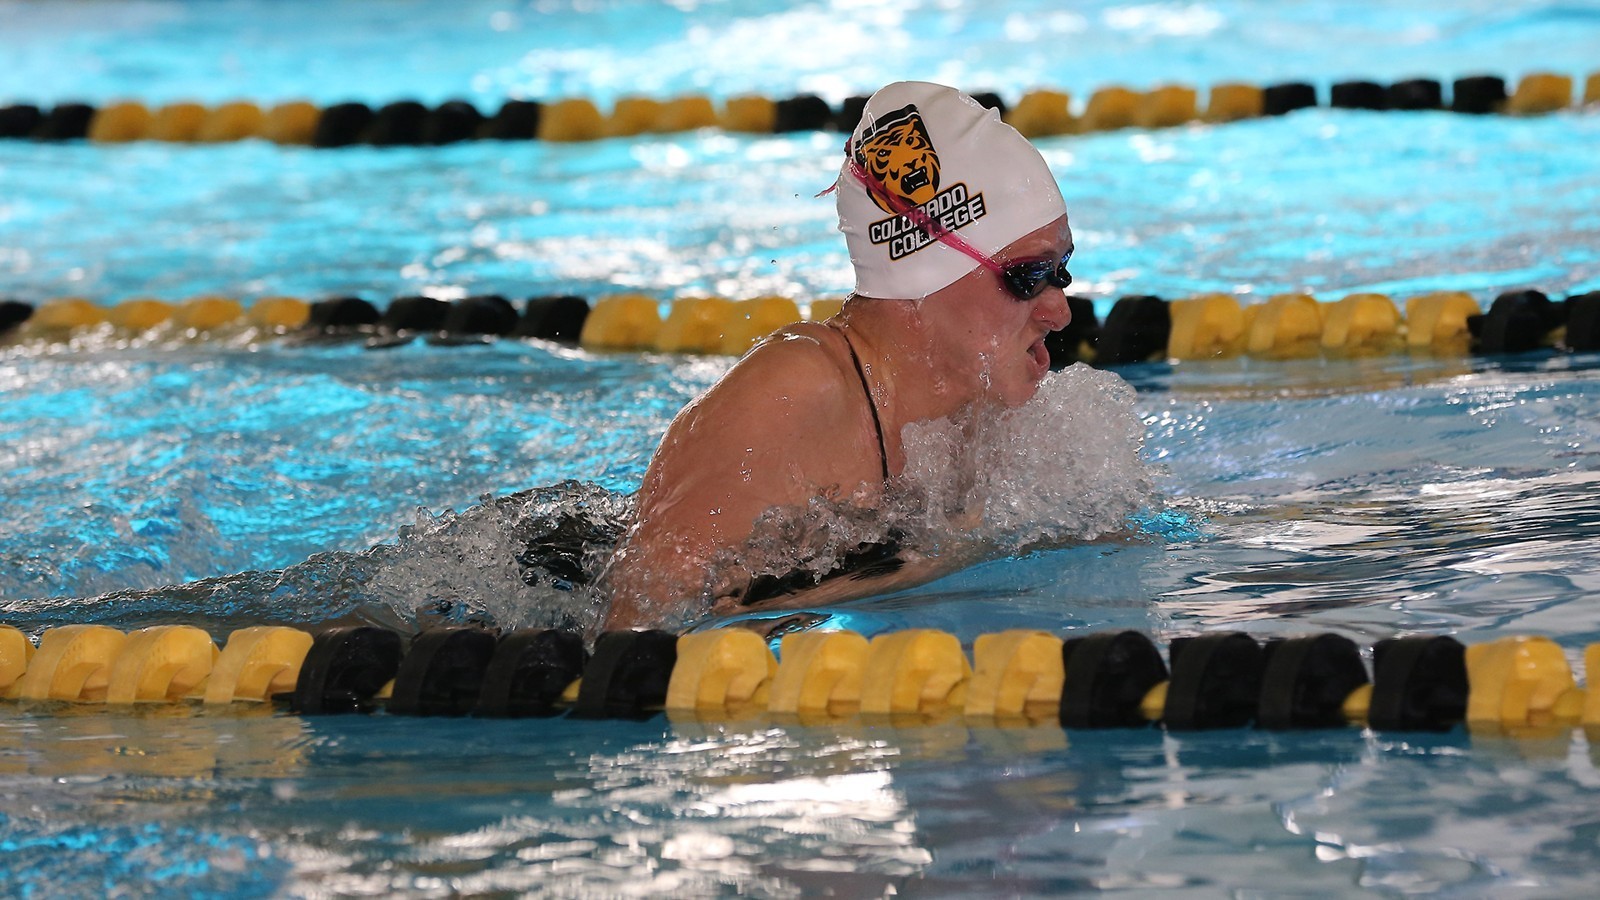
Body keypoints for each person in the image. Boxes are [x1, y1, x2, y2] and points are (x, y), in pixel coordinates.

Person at [601, 81, 1075, 630]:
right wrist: (960, 553)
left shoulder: (982, 405)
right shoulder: (790, 396)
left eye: (1062, 271)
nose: (1059, 313)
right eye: (1027, 276)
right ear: (924, 271)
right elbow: (632, 637)